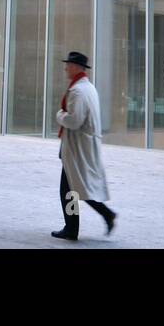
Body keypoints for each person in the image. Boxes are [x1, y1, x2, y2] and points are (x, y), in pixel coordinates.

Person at [53, 51, 116, 241]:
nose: (66, 68)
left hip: (77, 148)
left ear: (76, 68)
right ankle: (95, 218)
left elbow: (73, 121)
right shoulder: (86, 87)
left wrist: (59, 115)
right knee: (75, 188)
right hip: (79, 147)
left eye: (69, 65)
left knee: (71, 189)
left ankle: (75, 227)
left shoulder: (78, 91)